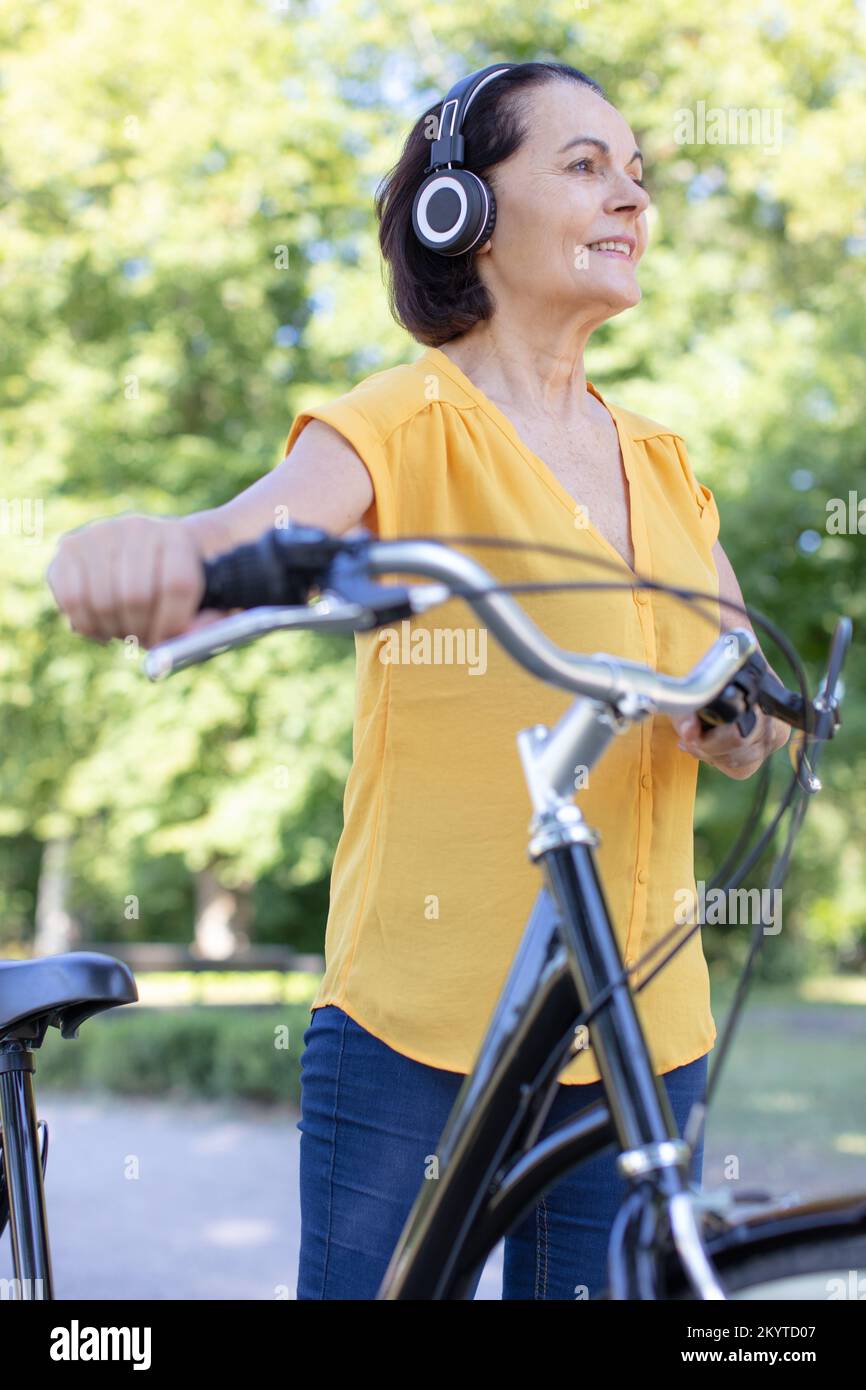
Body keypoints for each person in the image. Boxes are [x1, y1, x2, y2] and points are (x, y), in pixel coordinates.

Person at [47, 60, 790, 1299]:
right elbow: (246, 533)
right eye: (584, 165)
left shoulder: (665, 464)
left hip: (638, 1017)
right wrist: (149, 551)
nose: (631, 199)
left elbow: (741, 702)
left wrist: (739, 723)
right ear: (466, 212)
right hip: (416, 1020)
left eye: (637, 174)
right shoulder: (401, 422)